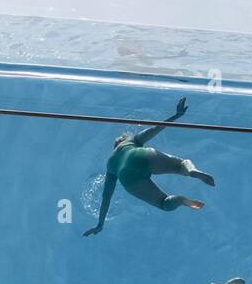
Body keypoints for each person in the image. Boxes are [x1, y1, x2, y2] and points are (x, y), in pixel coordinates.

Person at [83, 97, 215, 236]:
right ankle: (192, 170)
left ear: (115, 146)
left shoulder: (110, 164)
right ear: (122, 140)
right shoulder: (129, 141)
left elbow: (106, 196)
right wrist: (176, 115)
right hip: (140, 156)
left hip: (128, 179)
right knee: (181, 164)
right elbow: (155, 129)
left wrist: (100, 224)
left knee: (164, 203)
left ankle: (182, 200)